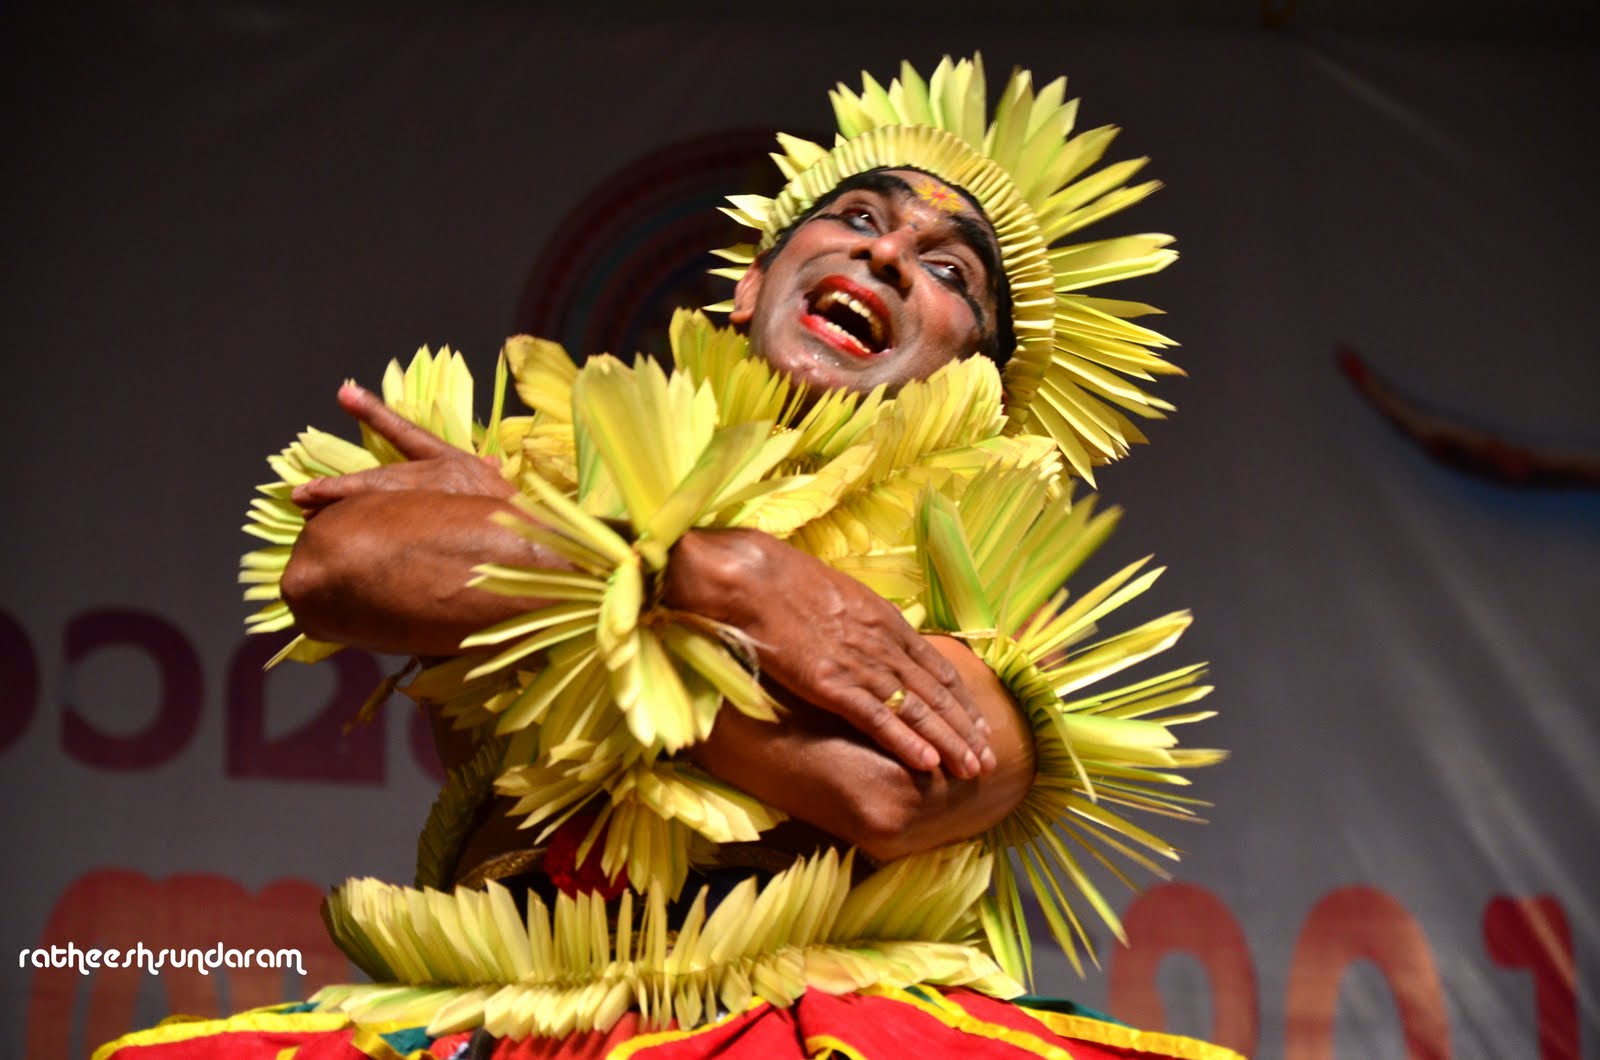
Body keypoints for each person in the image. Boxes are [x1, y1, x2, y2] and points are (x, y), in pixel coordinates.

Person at [99, 56, 1238, 1060]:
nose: (887, 251)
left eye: (953, 274)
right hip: (493, 1017)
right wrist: (722, 580)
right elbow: (337, 566)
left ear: (977, 384)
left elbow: (887, 789)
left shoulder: (989, 594)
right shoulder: (561, 447)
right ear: (747, 286)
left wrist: (543, 584)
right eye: (856, 216)